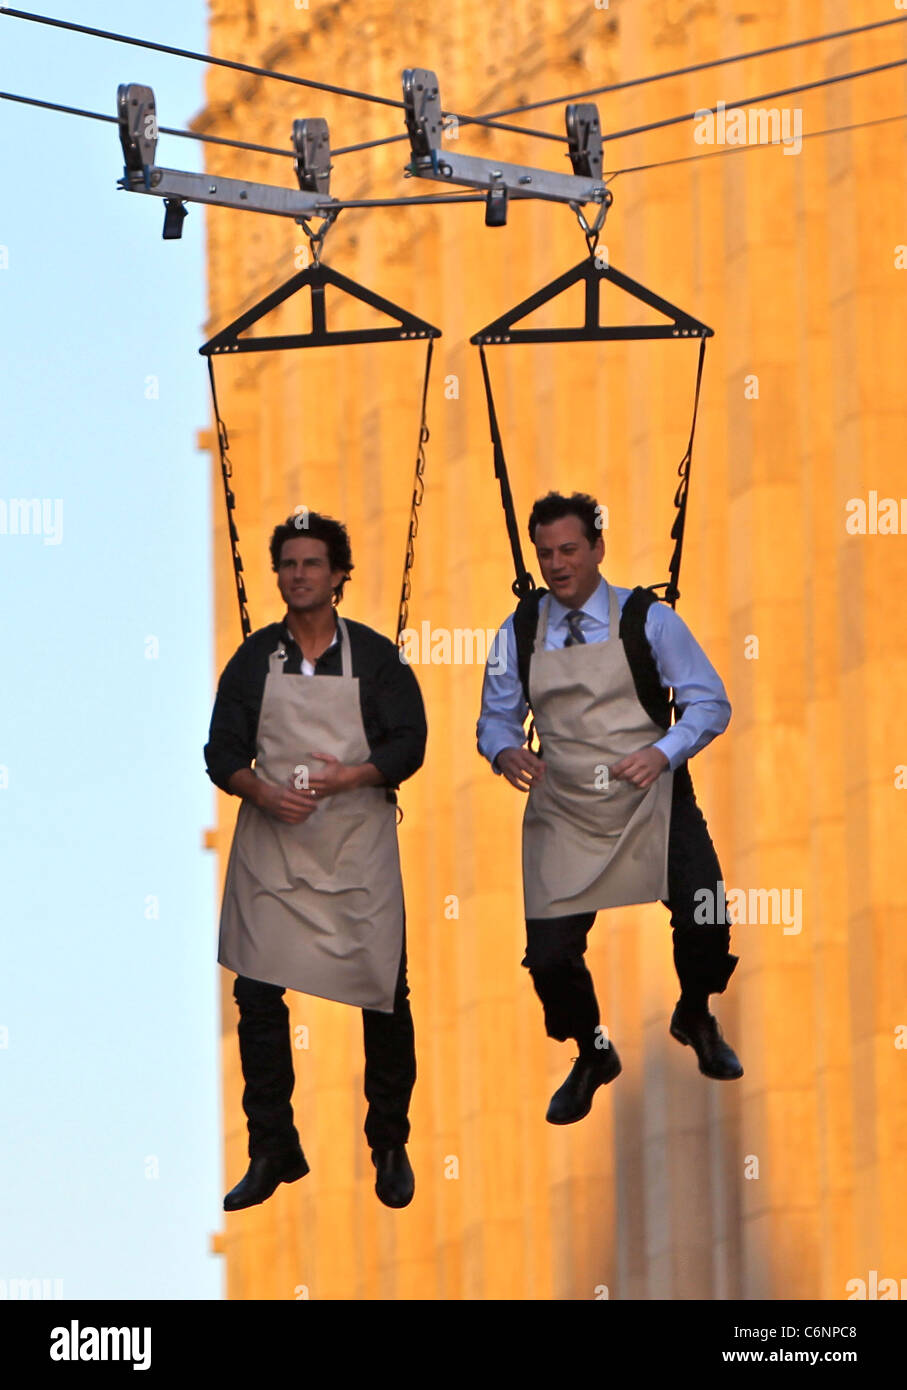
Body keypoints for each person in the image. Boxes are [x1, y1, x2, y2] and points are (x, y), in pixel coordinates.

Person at [477, 490, 742, 1126]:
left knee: (705, 915)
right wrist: (505, 750)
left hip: (654, 797)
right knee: (548, 959)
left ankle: (695, 1012)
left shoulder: (649, 620)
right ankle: (591, 1051)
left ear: (598, 548)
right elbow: (493, 718)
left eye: (569, 549)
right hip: (564, 809)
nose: (557, 564)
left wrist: (663, 752)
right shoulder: (516, 632)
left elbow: (710, 703)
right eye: (546, 554)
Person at [205, 511, 427, 1209]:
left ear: (337, 577)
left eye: (311, 564)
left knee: (384, 993)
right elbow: (219, 751)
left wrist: (351, 777)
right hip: (273, 845)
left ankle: (388, 1141)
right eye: (288, 564)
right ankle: (272, 1145)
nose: (298, 575)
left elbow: (409, 743)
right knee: (255, 993)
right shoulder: (252, 661)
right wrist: (260, 791)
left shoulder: (376, 659)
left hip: (354, 843)